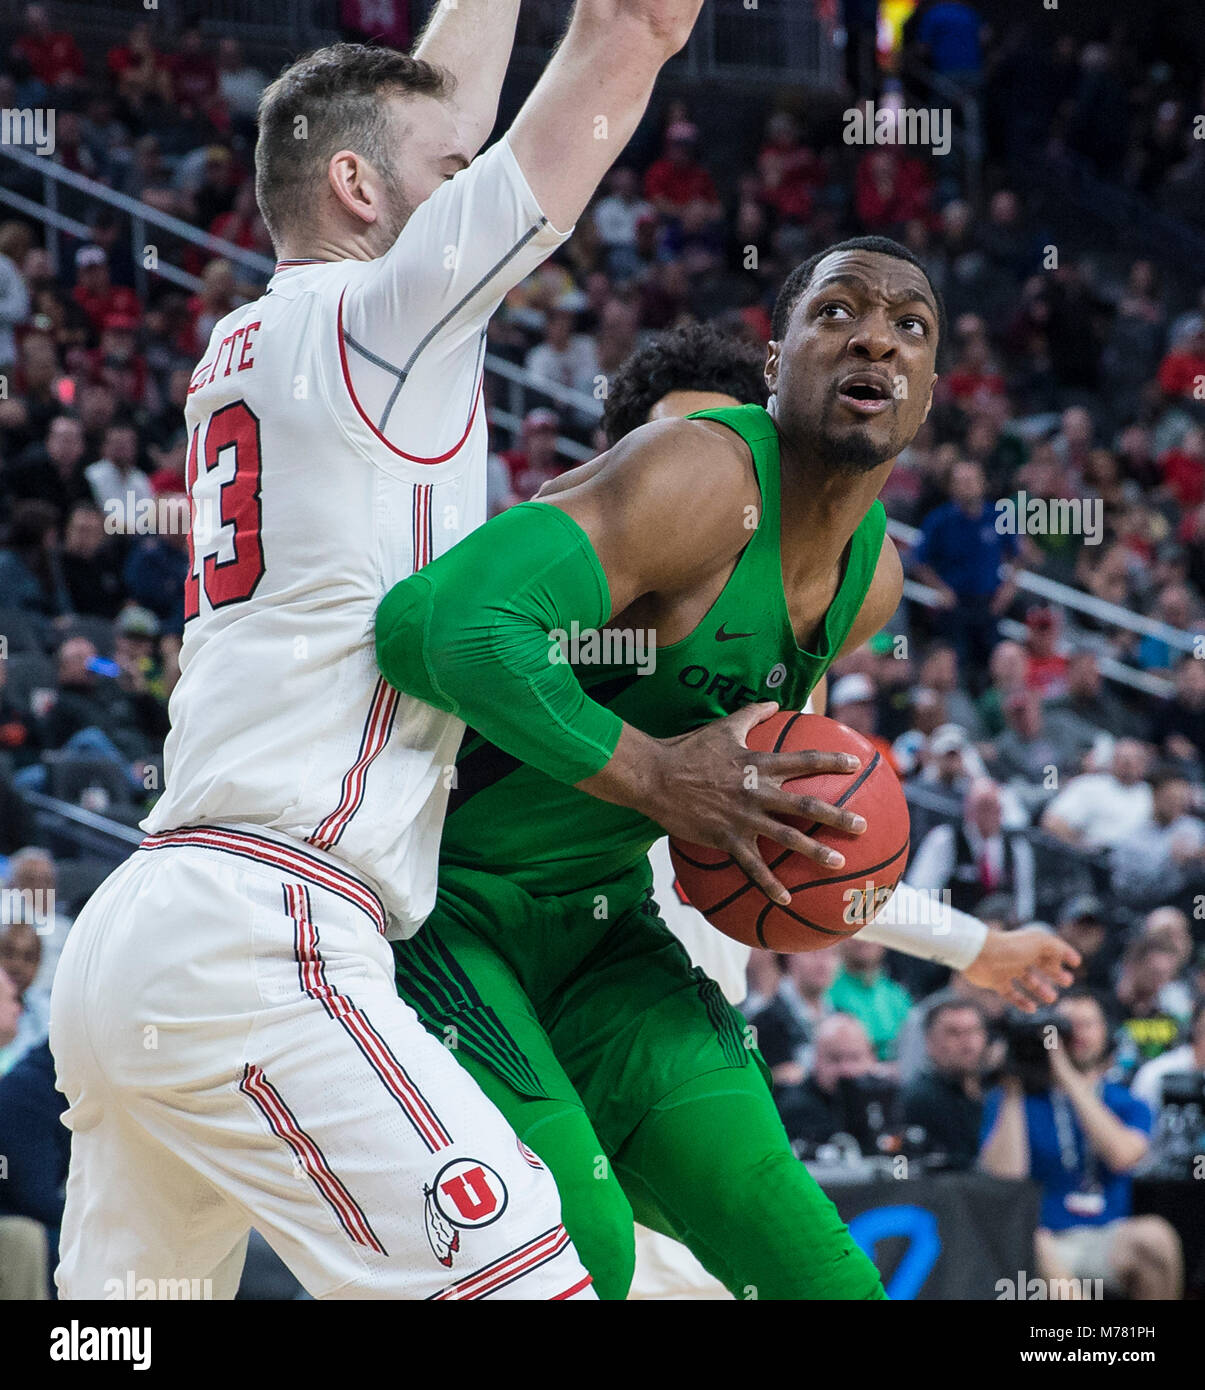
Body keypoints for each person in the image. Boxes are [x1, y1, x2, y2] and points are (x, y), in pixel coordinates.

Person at [51, 2, 715, 1303]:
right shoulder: (386, 318)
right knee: (538, 1281)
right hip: (269, 936)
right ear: (359, 188)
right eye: (451, 176)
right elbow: (628, 34)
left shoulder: (256, 340)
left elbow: (428, 113)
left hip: (142, 936)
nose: (472, 184)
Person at [380, 236, 991, 1301]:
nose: (874, 338)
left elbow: (731, 758)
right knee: (586, 1248)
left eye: (910, 326)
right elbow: (433, 627)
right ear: (775, 360)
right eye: (838, 309)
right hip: (444, 910)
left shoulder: (872, 582)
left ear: (929, 390)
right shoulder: (700, 475)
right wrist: (654, 774)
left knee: (814, 1266)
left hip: (607, 934)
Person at [979, 991, 1182, 1300]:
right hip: (1041, 1239)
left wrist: (1066, 1075)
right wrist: (1014, 1084)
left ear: (1107, 1033)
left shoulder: (1126, 1102)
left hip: (1106, 1238)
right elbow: (1006, 1178)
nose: (1074, 1035)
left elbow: (1122, 1156)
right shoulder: (1012, 1100)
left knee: (1156, 1236)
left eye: (1086, 1025)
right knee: (1034, 1241)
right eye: (1064, 1026)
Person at [775, 1013, 896, 1156]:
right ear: (816, 1060)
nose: (845, 1070)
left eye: (854, 1058)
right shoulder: (795, 1107)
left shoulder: (886, 1099)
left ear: (872, 1058)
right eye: (835, 1059)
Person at [901, 997, 988, 1169]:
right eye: (954, 1033)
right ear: (930, 1042)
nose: (967, 1042)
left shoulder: (998, 1089)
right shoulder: (922, 1098)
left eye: (973, 1031)